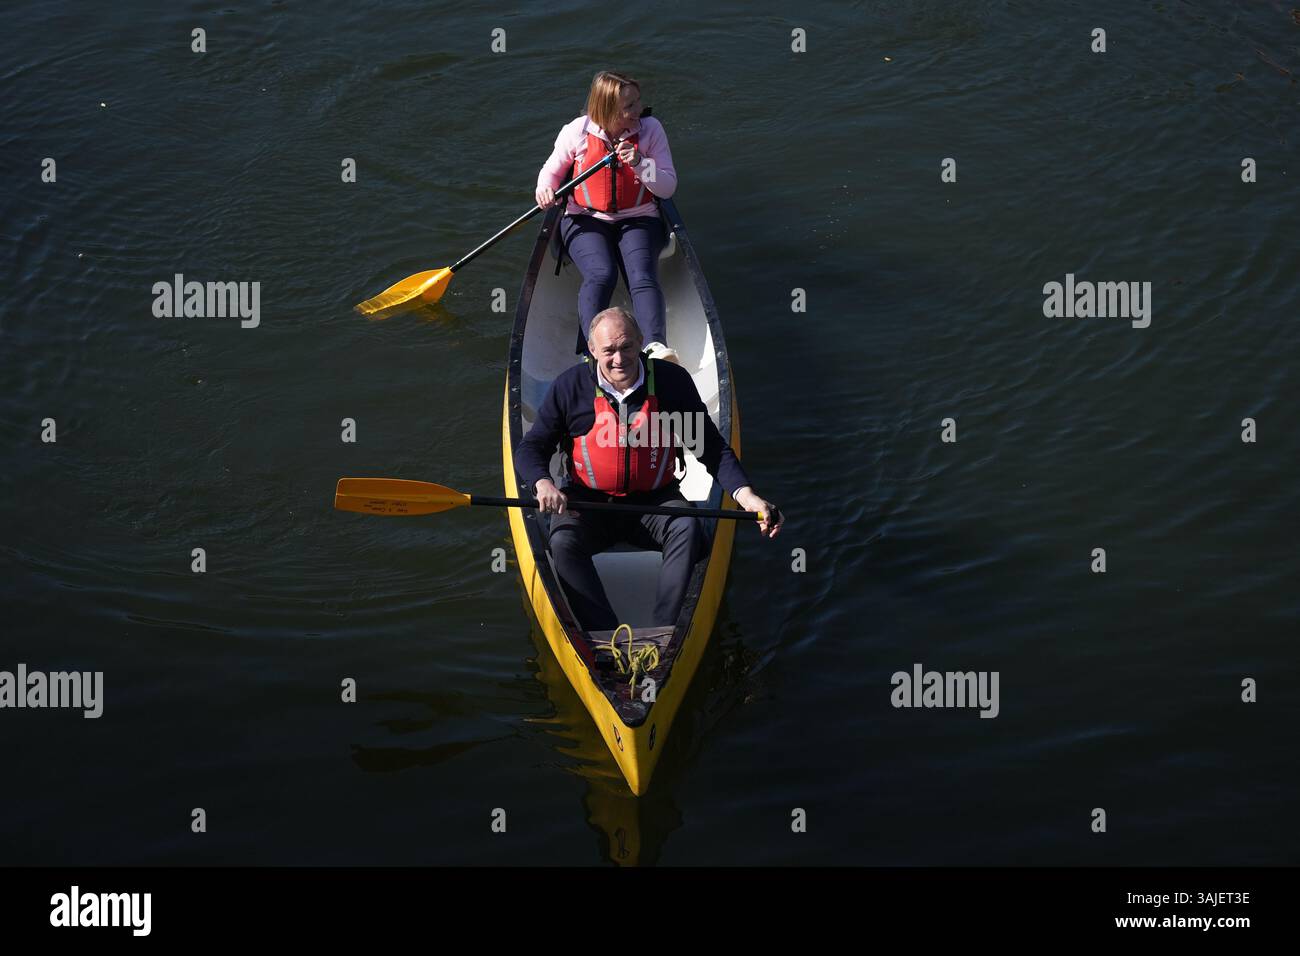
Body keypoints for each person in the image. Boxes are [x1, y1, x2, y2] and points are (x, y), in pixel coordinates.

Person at [514, 307, 783, 631]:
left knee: (687, 528)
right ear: (592, 349)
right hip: (587, 502)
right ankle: (606, 636)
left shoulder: (672, 383)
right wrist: (542, 483)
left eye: (627, 347)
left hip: (656, 500)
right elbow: (531, 448)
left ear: (641, 341)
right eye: (609, 350)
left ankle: (664, 636)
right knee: (562, 543)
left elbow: (710, 447)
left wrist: (747, 496)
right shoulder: (570, 388)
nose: (619, 359)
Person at [535, 71, 680, 362]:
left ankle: (654, 346)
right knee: (602, 273)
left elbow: (667, 187)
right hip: (585, 218)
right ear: (607, 109)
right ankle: (592, 351)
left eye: (638, 102)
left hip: (639, 217)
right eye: (629, 106)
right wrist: (545, 190)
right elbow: (550, 173)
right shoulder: (576, 132)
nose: (638, 110)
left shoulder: (651, 130)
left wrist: (640, 163)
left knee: (641, 275)